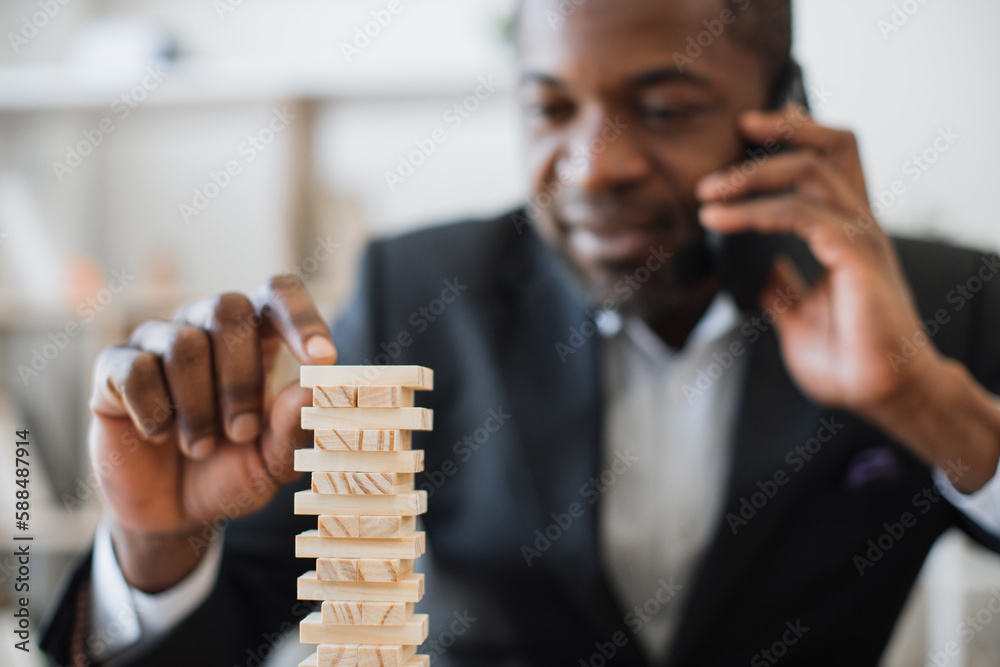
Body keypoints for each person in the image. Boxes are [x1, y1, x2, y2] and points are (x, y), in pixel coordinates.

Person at [41, 0, 1000, 665]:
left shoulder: (939, 300)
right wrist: (156, 547)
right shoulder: (416, 293)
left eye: (664, 108)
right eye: (549, 106)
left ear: (781, 113)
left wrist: (925, 401)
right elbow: (230, 626)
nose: (591, 166)